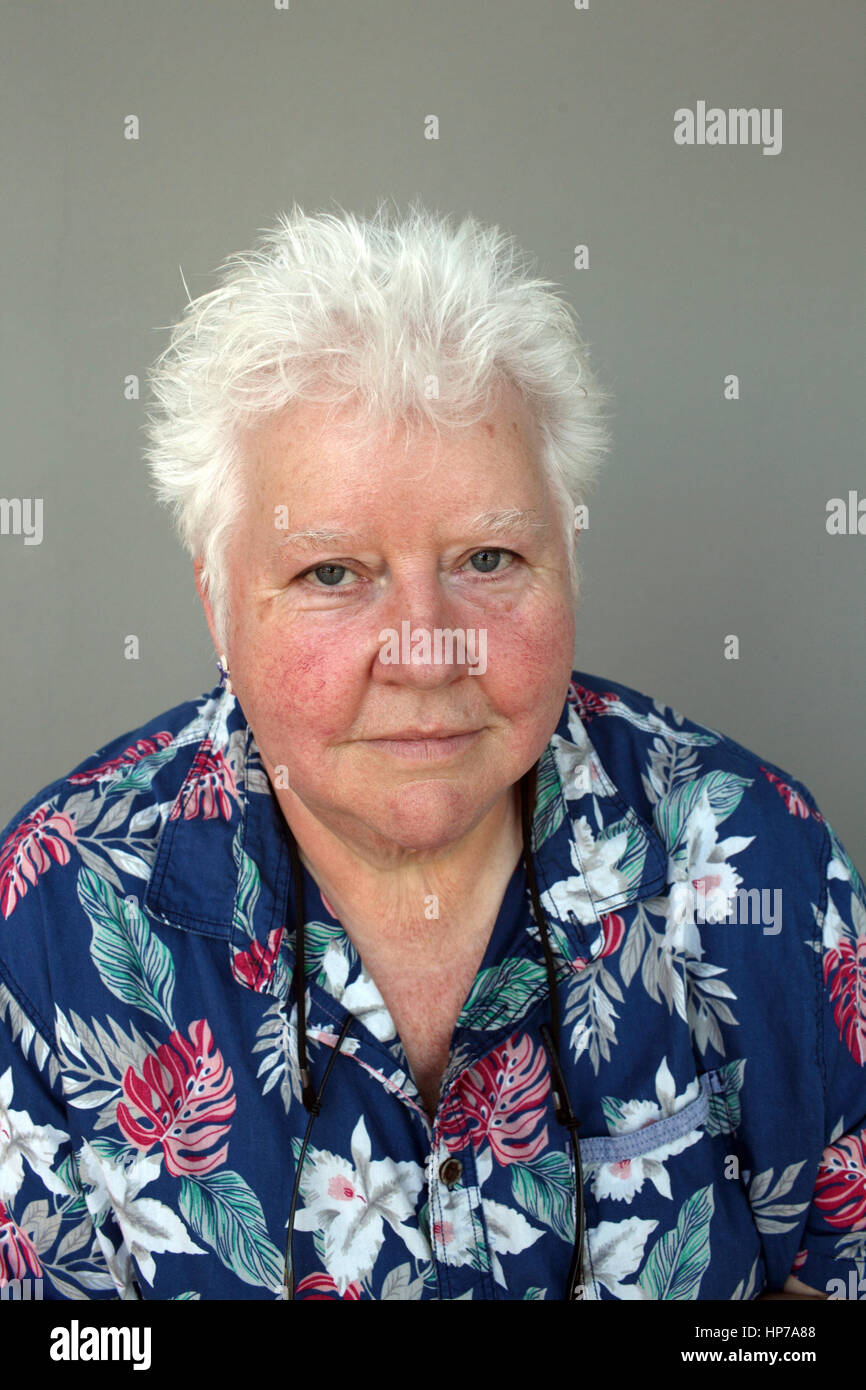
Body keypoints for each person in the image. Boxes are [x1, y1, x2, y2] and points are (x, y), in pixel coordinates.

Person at [1, 201, 863, 1302]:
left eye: (489, 557)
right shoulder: (44, 933)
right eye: (332, 573)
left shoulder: (765, 868)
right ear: (217, 603)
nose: (424, 649)